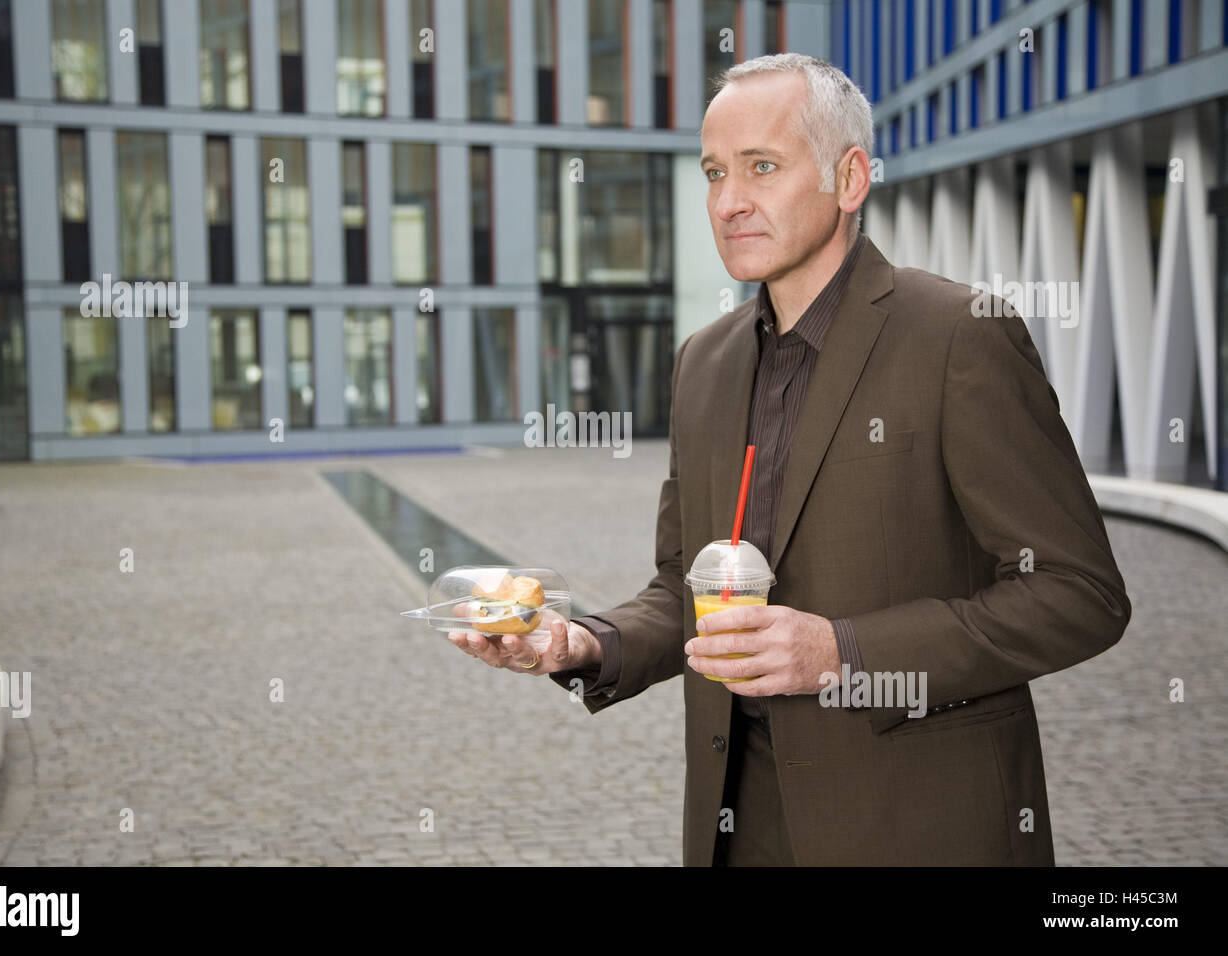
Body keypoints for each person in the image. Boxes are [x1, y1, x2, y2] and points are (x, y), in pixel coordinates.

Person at [448, 53, 1131, 866]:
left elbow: (1080, 595)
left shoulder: (960, 336)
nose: (728, 202)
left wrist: (842, 653)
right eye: (712, 174)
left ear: (849, 180)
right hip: (738, 828)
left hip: (920, 829)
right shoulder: (703, 362)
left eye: (761, 168)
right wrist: (582, 644)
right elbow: (685, 588)